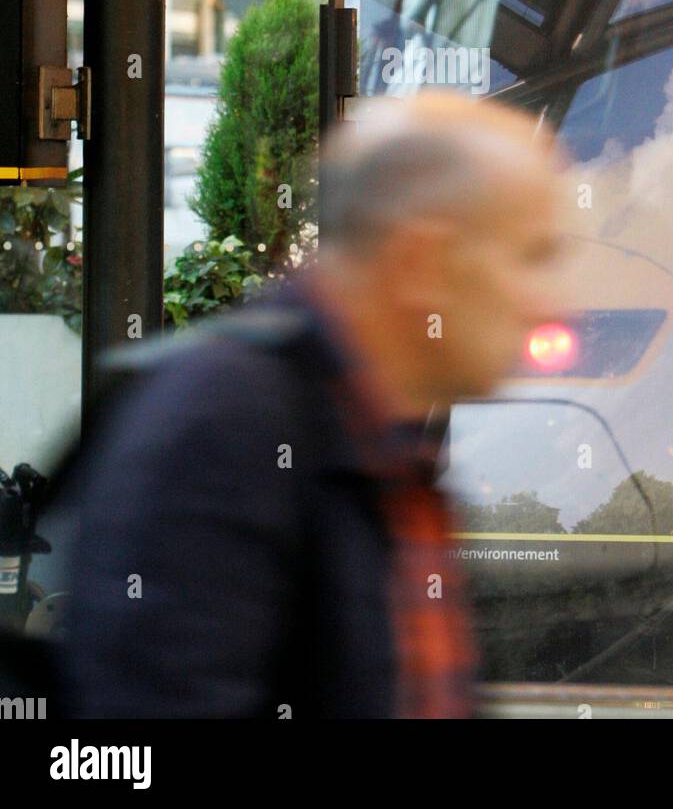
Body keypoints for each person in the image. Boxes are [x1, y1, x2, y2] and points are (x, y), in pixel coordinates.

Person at [59, 91, 570, 719]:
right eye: (530, 257)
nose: (547, 307)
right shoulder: (225, 426)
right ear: (422, 265)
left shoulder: (382, 446)